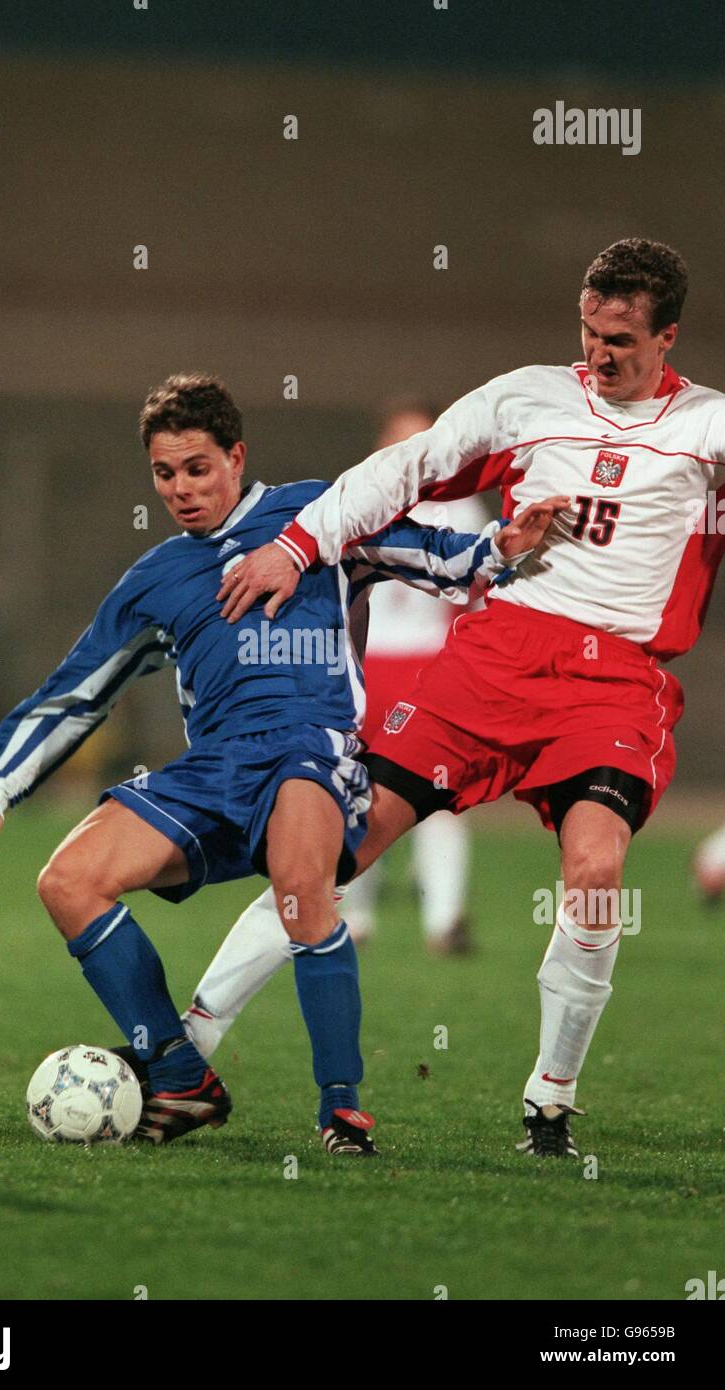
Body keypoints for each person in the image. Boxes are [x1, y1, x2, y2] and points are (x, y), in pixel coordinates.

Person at [0, 373, 554, 1156]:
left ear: (236, 456)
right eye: (164, 474)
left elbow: (432, 554)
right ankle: (178, 1074)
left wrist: (502, 545)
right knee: (68, 879)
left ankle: (342, 1111)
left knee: (304, 890)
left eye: (197, 468)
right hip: (214, 773)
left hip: (312, 750)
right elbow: (75, 693)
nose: (181, 489)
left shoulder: (315, 515)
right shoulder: (156, 579)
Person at [210, 239, 725, 1158]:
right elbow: (399, 471)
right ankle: (190, 1048)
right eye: (589, 331)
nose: (600, 353)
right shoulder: (526, 398)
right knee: (327, 849)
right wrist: (297, 543)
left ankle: (551, 1096)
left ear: (666, 335)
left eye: (620, 339)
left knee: (597, 874)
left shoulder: (706, 430)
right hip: (492, 659)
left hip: (614, 682)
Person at [341, 402, 489, 954]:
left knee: (438, 792)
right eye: (399, 438)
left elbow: (476, 599)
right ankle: (353, 916)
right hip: (363, 664)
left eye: (421, 439)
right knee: (352, 789)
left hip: (429, 665)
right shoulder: (357, 497)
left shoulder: (465, 508)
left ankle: (444, 919)